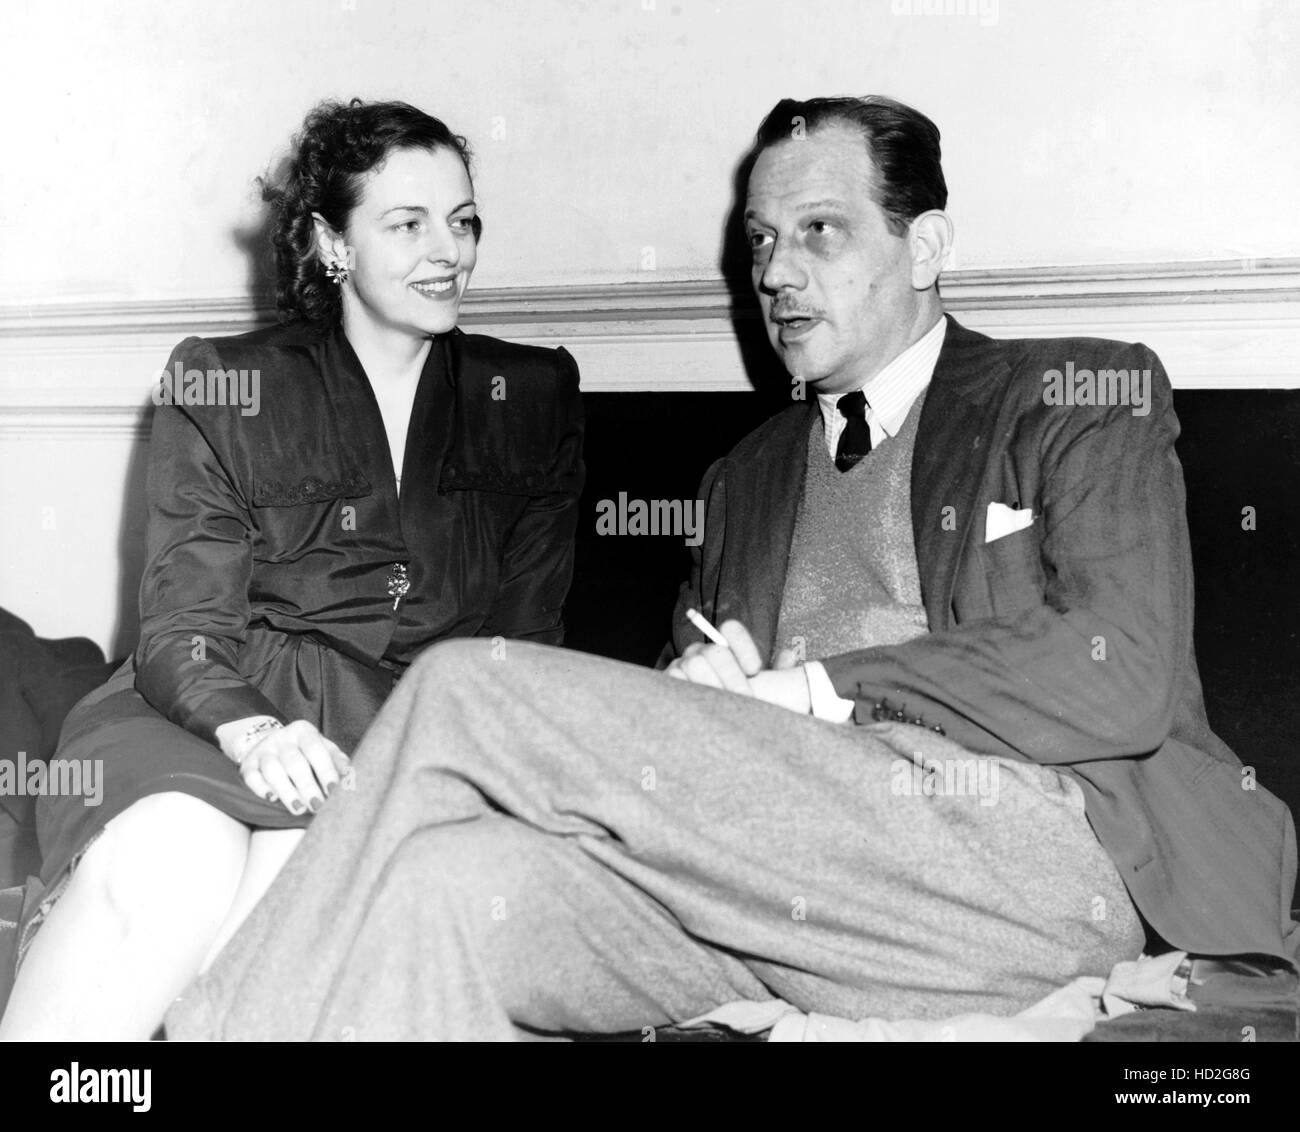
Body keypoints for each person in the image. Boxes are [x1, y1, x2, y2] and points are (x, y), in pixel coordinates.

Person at [164, 95, 1297, 1041]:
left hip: (1016, 873)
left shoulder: (1074, 396)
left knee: (464, 682)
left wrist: (819, 688)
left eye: (820, 231)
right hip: (778, 911)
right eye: (761, 241)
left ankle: (217, 1037)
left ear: (928, 244)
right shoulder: (740, 479)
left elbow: (1126, 670)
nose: (776, 273)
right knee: (440, 892)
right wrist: (695, 692)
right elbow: (692, 736)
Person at [0, 98, 584, 1040]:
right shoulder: (221, 384)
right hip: (204, 718)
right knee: (172, 858)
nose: (450, 250)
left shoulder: (532, 397)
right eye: (408, 223)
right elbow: (181, 634)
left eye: (464, 219)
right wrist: (254, 733)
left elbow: (523, 650)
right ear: (331, 242)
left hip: (385, 750)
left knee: (292, 904)